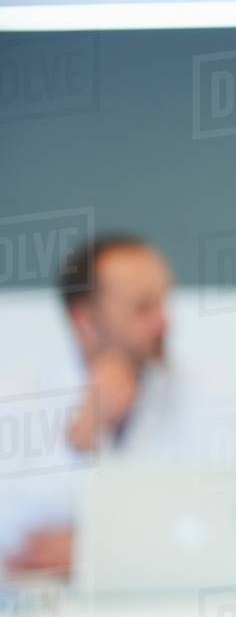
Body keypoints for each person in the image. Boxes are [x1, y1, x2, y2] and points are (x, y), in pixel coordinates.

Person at [0, 234, 221, 575]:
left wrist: (95, 549)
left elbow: (219, 524)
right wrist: (83, 435)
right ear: (85, 321)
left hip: (165, 611)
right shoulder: (17, 396)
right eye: (143, 308)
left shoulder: (203, 394)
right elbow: (17, 538)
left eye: (163, 302)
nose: (165, 322)